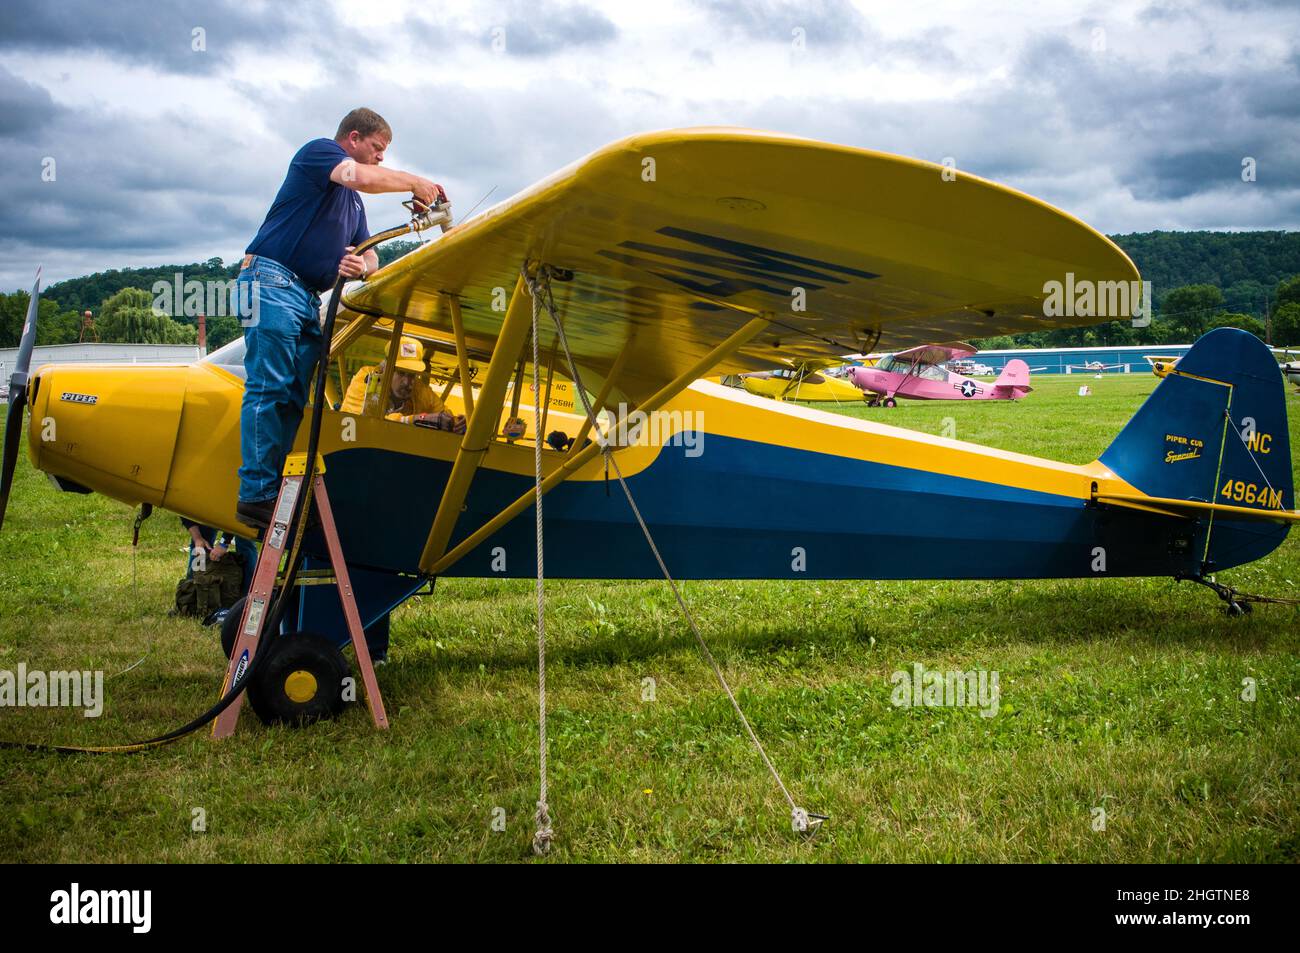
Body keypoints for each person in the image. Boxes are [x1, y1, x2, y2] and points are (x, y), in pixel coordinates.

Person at [235, 107, 445, 530]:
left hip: (306, 296)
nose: (381, 158)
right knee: (270, 385)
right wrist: (415, 182)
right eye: (378, 149)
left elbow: (369, 252)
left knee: (294, 394)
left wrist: (360, 268)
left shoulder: (350, 204)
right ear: (353, 138)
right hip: (272, 281)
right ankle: (256, 494)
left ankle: (270, 488)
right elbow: (363, 177)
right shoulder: (320, 153)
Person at [340, 335, 467, 431]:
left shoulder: (421, 390)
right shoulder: (367, 378)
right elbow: (367, 422)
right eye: (401, 373)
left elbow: (445, 415)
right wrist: (418, 419)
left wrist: (458, 423)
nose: (407, 382)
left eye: (412, 374)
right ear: (385, 369)